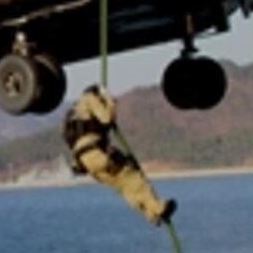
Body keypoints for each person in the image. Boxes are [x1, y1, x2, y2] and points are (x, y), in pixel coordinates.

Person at [62, 85, 176, 226]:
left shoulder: (71, 114)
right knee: (132, 177)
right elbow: (107, 118)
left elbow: (71, 140)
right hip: (98, 153)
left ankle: (150, 213)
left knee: (123, 186)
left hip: (86, 162)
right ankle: (157, 208)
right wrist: (110, 102)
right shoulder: (89, 99)